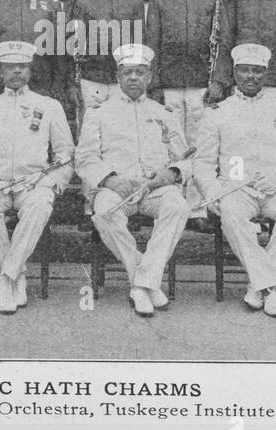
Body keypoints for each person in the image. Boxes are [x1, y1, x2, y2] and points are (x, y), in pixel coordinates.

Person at [194, 43, 276, 318]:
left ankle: (258, 286)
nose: (251, 77)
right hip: (235, 187)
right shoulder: (217, 113)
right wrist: (214, 194)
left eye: (257, 71)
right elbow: (202, 163)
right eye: (245, 70)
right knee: (231, 214)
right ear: (234, 73)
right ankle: (270, 288)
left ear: (266, 74)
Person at [75, 44, 192, 317]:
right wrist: (110, 179)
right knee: (103, 212)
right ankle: (146, 281)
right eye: (127, 73)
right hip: (117, 188)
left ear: (150, 77)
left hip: (154, 189)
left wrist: (172, 174)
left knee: (178, 207)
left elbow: (185, 158)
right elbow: (84, 159)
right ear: (118, 77)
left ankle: (141, 283)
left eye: (140, 72)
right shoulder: (99, 113)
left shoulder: (164, 114)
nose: (133, 78)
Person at [0, 41, 75, 314]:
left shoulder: (49, 106)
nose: (16, 72)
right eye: (11, 67)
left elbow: (65, 154)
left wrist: (48, 181)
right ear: (0, 72)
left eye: (22, 67)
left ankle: (6, 278)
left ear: (30, 71)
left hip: (33, 183)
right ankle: (16, 276)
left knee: (39, 204)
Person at [143, 0, 220, 219]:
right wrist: (154, 83)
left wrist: (217, 81)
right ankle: (173, 203)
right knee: (173, 144)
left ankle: (197, 209)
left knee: (199, 144)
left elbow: (219, 40)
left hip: (201, 81)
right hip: (170, 81)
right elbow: (152, 40)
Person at [69, 0, 145, 122]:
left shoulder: (135, 1)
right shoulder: (84, 2)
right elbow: (76, 45)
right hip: (93, 78)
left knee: (123, 127)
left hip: (123, 78)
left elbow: (139, 41)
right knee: (91, 126)